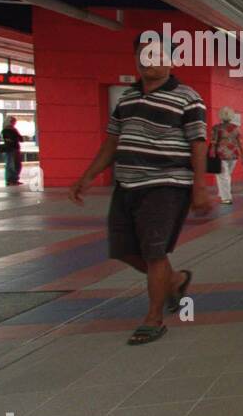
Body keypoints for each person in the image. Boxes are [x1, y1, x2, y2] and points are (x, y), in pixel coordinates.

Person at [68, 36, 212, 345]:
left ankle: (154, 318)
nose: (150, 60)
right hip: (127, 184)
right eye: (144, 54)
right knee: (125, 251)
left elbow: (198, 143)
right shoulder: (127, 98)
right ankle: (174, 281)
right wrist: (88, 176)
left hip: (166, 185)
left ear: (172, 60)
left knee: (154, 251)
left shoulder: (188, 98)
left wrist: (200, 187)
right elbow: (112, 142)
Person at [210, 107, 243, 204]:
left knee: (222, 176)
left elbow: (214, 141)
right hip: (234, 155)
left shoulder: (217, 128)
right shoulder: (236, 128)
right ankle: (223, 193)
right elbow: (240, 143)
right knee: (227, 176)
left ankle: (226, 198)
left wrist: (212, 152)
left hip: (221, 154)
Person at [0, 116, 22, 186]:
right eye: (13, 121)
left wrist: (15, 136)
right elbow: (12, 139)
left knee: (17, 165)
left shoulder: (14, 129)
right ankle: (10, 180)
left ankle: (15, 179)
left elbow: (20, 138)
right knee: (10, 165)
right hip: (9, 150)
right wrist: (15, 137)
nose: (14, 123)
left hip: (15, 149)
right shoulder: (6, 130)